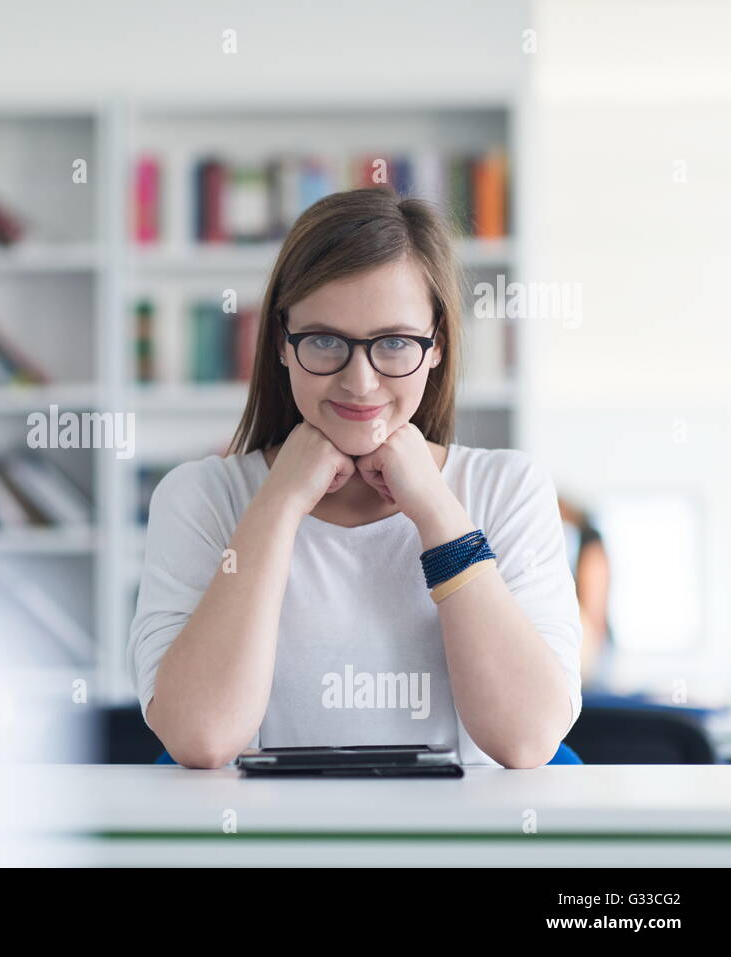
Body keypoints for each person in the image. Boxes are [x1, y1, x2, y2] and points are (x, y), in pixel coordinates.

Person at [128, 187, 584, 769]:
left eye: (394, 343)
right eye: (324, 341)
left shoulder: (507, 489)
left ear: (437, 344)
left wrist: (436, 511)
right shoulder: (200, 497)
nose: (360, 382)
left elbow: (524, 740)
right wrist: (281, 501)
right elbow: (201, 737)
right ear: (281, 344)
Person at [558, 496, 613, 689]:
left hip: (591, 640)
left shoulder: (590, 544)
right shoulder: (575, 543)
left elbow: (594, 606)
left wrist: (591, 648)